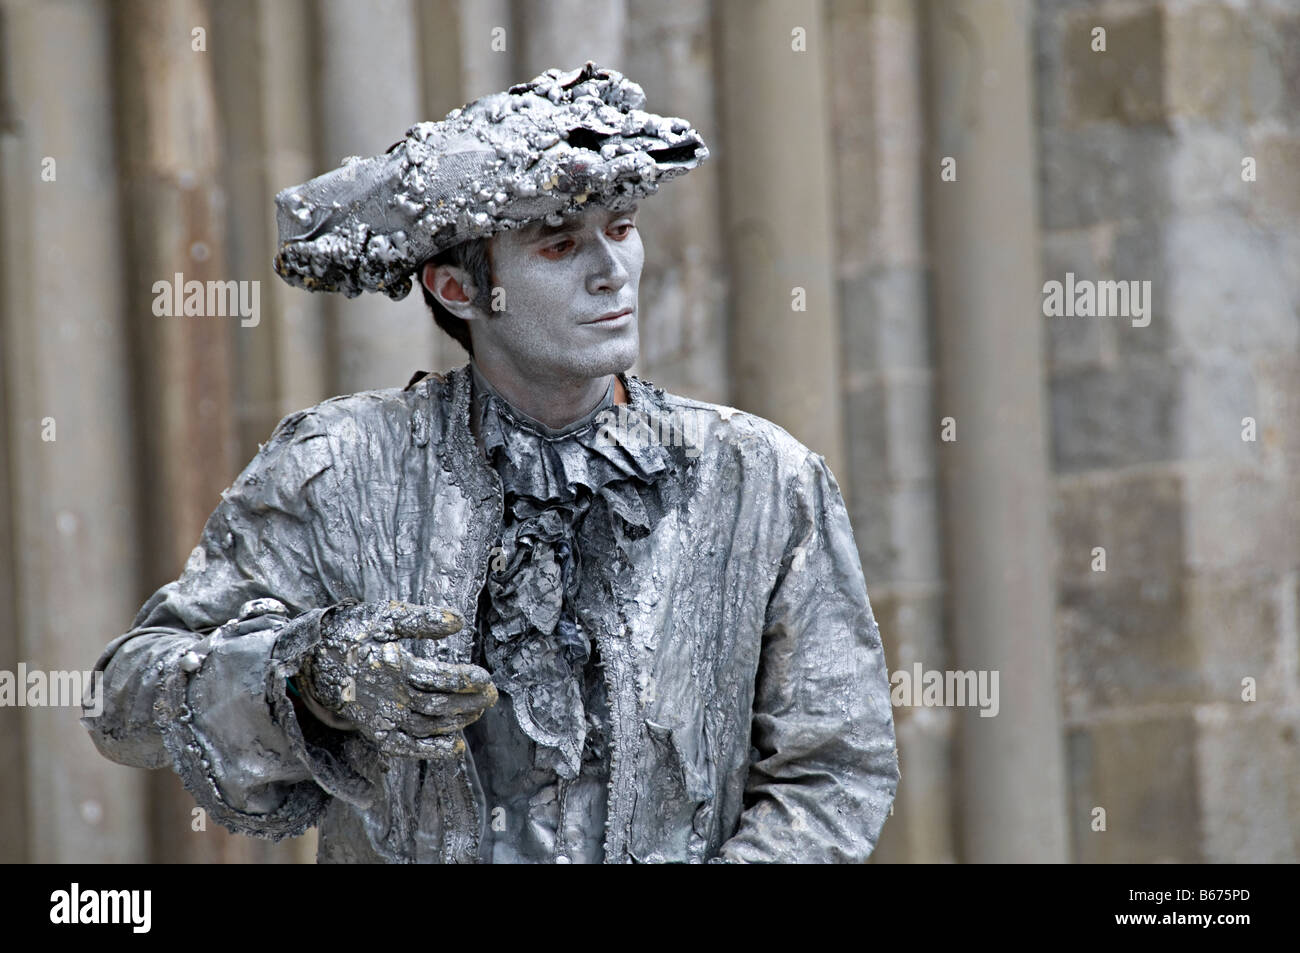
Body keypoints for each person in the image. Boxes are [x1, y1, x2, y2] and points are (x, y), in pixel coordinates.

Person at [82, 62, 899, 863]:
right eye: (558, 245)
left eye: (621, 230)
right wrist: (310, 678)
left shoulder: (759, 478)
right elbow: (125, 700)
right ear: (460, 289)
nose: (612, 271)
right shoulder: (336, 470)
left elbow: (836, 768)